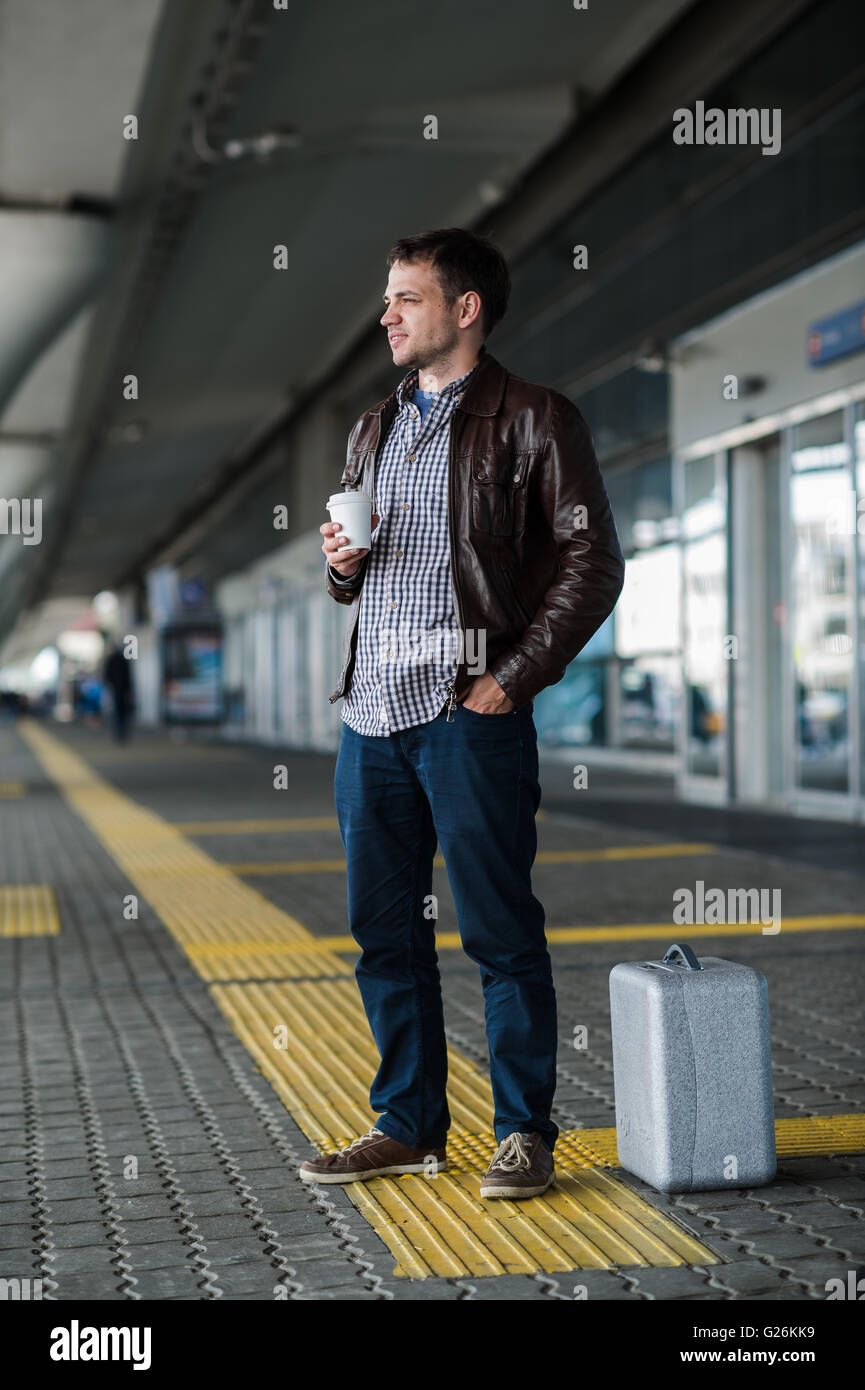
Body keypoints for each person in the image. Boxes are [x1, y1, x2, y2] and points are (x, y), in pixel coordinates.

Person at [302, 228, 624, 1200]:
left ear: (465, 307)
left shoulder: (533, 418)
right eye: (388, 299)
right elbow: (358, 575)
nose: (387, 315)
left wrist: (513, 678)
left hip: (465, 713)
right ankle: (408, 1123)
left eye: (405, 297)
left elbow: (591, 561)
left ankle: (524, 1129)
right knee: (383, 934)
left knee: (498, 930)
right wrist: (338, 565)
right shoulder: (375, 425)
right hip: (370, 721)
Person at [102, 642, 134, 742]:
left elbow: (107, 675)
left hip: (115, 689)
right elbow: (128, 676)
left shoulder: (110, 660)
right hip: (123, 690)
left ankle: (117, 734)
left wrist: (109, 685)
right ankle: (122, 733)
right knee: (123, 713)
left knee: (115, 713)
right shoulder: (123, 660)